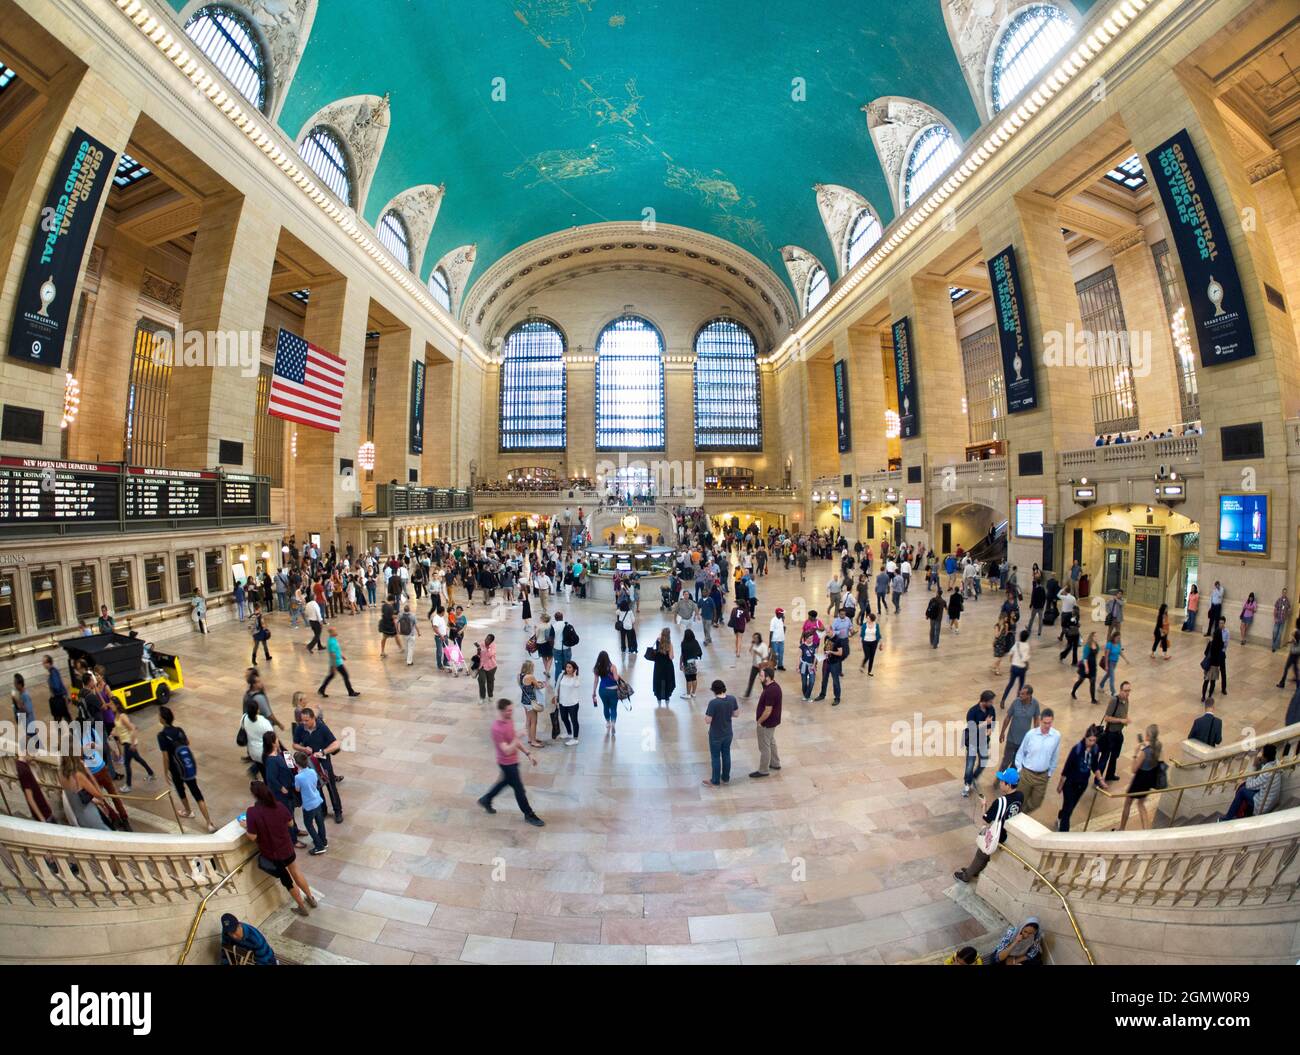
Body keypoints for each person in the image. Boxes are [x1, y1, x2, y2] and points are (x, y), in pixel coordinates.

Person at [242, 781, 315, 916]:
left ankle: (301, 907)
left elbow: (252, 837)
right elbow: (291, 823)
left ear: (254, 795)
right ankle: (310, 898)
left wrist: (245, 826)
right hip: (287, 847)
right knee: (296, 872)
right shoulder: (279, 806)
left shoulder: (252, 812)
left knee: (288, 881)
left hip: (273, 854)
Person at [476, 698, 544, 826]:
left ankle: (486, 799)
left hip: (513, 761)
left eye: (511, 710)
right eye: (508, 711)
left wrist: (528, 754)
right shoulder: (496, 729)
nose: (511, 713)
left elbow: (514, 741)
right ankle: (529, 814)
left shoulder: (509, 720)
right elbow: (506, 750)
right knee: (519, 790)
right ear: (501, 711)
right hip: (506, 763)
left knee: (504, 783)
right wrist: (517, 737)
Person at [953, 768, 1023, 884]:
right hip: (1007, 834)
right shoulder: (1020, 796)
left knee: (982, 853)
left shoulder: (1000, 802)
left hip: (997, 835)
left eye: (1002, 781)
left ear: (1008, 785)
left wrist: (984, 805)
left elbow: (985, 820)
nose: (1000, 783)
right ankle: (974, 870)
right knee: (985, 855)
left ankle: (967, 876)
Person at [157, 705, 216, 832]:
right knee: (196, 792)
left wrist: (165, 771)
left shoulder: (161, 736)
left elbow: (165, 757)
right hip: (187, 766)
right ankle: (209, 823)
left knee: (181, 790)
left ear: (162, 719)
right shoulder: (179, 730)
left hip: (175, 768)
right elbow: (187, 742)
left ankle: (189, 811)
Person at [293, 707, 344, 824]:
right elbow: (294, 744)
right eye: (302, 721)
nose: (304, 723)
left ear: (313, 719)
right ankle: (323, 809)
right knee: (317, 786)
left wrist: (323, 752)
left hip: (323, 760)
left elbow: (336, 744)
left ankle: (338, 811)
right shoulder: (300, 728)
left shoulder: (322, 728)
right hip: (310, 762)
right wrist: (304, 748)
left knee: (331, 786)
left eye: (306, 721)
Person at [1057, 725, 1105, 832]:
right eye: (1090, 740)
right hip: (1070, 783)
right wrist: (1061, 785)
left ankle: (1061, 815)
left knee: (1070, 807)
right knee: (1069, 808)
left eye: (1094, 740)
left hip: (1082, 784)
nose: (1091, 743)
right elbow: (1067, 768)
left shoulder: (1095, 749)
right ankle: (1063, 833)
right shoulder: (1077, 750)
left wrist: (1101, 780)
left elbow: (1095, 766)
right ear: (1085, 737)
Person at [1014, 708, 1060, 813]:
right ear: (1040, 720)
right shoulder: (1031, 734)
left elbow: (1055, 755)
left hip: (1043, 776)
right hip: (1027, 774)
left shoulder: (1056, 736)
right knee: (1020, 799)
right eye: (1045, 723)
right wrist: (1020, 769)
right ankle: (1016, 818)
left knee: (1036, 802)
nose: (1047, 726)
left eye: (1050, 723)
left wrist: (1050, 773)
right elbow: (1021, 752)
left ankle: (1022, 814)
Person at [1220, 744, 1282, 821]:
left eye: (1262, 754)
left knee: (1242, 791)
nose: (1260, 755)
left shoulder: (1267, 773)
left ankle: (1227, 818)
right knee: (1244, 787)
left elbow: (1249, 785)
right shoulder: (1275, 763)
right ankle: (1239, 813)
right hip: (1271, 800)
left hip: (1263, 806)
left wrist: (1254, 766)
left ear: (1266, 758)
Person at [1118, 725, 1162, 830]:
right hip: (1148, 780)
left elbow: (1133, 769)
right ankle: (1146, 830)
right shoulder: (1158, 747)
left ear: (1147, 736)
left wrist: (1135, 753)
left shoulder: (1144, 752)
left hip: (1139, 780)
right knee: (1141, 804)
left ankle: (1121, 829)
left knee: (1128, 803)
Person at [703, 679, 740, 788]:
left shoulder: (713, 703)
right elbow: (736, 714)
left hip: (715, 735)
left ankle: (715, 780)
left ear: (714, 691)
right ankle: (725, 778)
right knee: (726, 754)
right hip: (728, 733)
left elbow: (707, 720)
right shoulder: (732, 699)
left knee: (715, 757)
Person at [962, 690, 996, 798]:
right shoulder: (972, 711)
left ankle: (973, 778)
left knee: (984, 761)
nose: (992, 704)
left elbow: (992, 724)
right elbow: (972, 728)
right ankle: (967, 784)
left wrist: (990, 729)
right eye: (990, 702)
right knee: (969, 765)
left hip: (983, 742)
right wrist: (985, 723)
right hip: (972, 741)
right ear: (984, 701)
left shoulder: (991, 710)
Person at [750, 666, 782, 778]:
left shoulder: (770, 691)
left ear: (768, 678)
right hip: (773, 722)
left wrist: (759, 721)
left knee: (764, 746)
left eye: (761, 676)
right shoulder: (774, 686)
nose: (759, 677)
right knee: (771, 741)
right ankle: (775, 763)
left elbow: (768, 710)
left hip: (767, 723)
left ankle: (763, 770)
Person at [1098, 680, 1132, 783]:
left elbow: (1124, 713)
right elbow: (1107, 718)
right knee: (1105, 757)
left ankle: (1110, 775)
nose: (1127, 693)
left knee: (1115, 756)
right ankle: (1098, 780)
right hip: (1110, 734)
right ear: (1121, 690)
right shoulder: (1114, 700)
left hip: (1119, 733)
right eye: (1126, 691)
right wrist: (1121, 720)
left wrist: (1125, 719)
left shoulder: (1127, 700)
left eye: (1129, 690)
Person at [318, 627, 360, 698]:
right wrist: (334, 665)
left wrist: (341, 656)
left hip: (336, 662)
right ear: (331, 633)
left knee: (331, 676)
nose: (336, 632)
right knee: (345, 676)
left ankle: (322, 689)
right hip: (337, 663)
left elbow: (336, 651)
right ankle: (351, 692)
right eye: (335, 631)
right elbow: (332, 654)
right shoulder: (331, 642)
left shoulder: (333, 639)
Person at [518, 660, 546, 749]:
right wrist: (543, 684)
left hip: (524, 700)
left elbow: (525, 686)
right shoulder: (530, 676)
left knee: (528, 720)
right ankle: (533, 741)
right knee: (534, 722)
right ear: (530, 668)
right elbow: (538, 686)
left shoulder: (519, 676)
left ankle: (530, 738)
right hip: (531, 702)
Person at [592, 651, 622, 734]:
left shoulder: (597, 668)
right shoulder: (612, 667)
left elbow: (596, 681)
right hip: (613, 690)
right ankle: (613, 723)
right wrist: (618, 675)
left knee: (605, 706)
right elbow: (616, 679)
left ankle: (608, 722)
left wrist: (594, 692)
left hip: (603, 690)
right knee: (613, 707)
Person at [999, 630, 1031, 707]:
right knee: (1020, 686)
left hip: (1014, 667)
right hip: (1021, 669)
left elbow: (1010, 653)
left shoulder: (1016, 644)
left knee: (1010, 684)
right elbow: (1025, 658)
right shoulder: (1026, 646)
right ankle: (1017, 703)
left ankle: (1003, 700)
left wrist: (1012, 659)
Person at [813, 632, 845, 705]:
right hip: (826, 662)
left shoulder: (838, 639)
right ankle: (822, 694)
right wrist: (824, 654)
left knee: (835, 681)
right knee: (824, 679)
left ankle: (837, 698)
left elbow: (840, 653)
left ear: (832, 631)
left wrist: (831, 652)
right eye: (826, 632)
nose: (826, 633)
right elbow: (826, 649)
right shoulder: (826, 638)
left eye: (827, 632)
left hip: (834, 664)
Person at [555, 659, 582, 745]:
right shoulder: (562, 674)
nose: (568, 669)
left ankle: (575, 738)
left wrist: (574, 676)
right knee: (564, 718)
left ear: (574, 669)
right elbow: (557, 686)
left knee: (574, 720)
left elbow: (576, 685)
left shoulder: (576, 678)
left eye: (570, 667)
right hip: (562, 702)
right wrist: (556, 696)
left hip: (573, 703)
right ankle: (569, 733)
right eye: (567, 667)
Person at [651, 628, 677, 706]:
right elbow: (671, 657)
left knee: (658, 680)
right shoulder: (669, 644)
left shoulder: (658, 641)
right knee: (667, 680)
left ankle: (658, 696)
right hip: (667, 665)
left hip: (658, 665)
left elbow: (659, 637)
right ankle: (666, 697)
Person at [1201, 623, 1226, 701]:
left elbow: (1205, 653)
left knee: (1206, 681)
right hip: (1215, 665)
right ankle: (1209, 696)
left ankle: (1203, 697)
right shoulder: (1221, 644)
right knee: (1212, 682)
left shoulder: (1211, 643)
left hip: (1209, 664)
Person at [743, 631, 769, 697]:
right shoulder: (754, 644)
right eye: (753, 638)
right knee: (751, 680)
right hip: (755, 665)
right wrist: (752, 645)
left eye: (755, 638)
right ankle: (747, 694)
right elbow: (750, 651)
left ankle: (766, 694)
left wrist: (757, 653)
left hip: (762, 666)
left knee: (763, 681)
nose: (754, 639)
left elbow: (765, 657)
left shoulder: (763, 646)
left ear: (759, 638)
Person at [1099, 629, 1124, 697]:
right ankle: (1113, 692)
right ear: (1114, 637)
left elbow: (1119, 652)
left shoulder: (1118, 644)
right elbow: (1106, 656)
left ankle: (1101, 685)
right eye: (1117, 638)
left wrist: (1125, 659)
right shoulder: (1109, 644)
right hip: (1110, 662)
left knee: (1108, 675)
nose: (1119, 639)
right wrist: (1106, 665)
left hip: (1115, 663)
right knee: (1112, 677)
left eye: (1119, 638)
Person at [680, 628, 702, 701]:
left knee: (688, 679)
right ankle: (694, 693)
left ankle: (688, 694)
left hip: (687, 662)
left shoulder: (683, 643)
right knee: (694, 677)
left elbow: (682, 655)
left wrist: (680, 664)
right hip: (694, 662)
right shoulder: (695, 642)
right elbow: (699, 651)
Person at [797, 630, 818, 702]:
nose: (811, 640)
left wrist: (814, 665)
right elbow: (799, 657)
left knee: (812, 681)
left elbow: (815, 656)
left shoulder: (815, 646)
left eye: (812, 638)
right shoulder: (802, 646)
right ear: (806, 638)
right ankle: (806, 695)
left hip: (811, 665)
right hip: (803, 665)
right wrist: (797, 666)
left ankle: (807, 696)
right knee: (804, 682)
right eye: (809, 638)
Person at [477, 633, 498, 701]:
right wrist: (478, 650)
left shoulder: (493, 646)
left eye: (488, 639)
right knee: (481, 680)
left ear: (491, 641)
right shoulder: (482, 644)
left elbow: (490, 655)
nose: (486, 640)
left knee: (490, 681)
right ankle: (482, 697)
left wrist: (487, 648)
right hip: (482, 666)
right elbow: (478, 655)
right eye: (486, 638)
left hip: (491, 666)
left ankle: (490, 695)